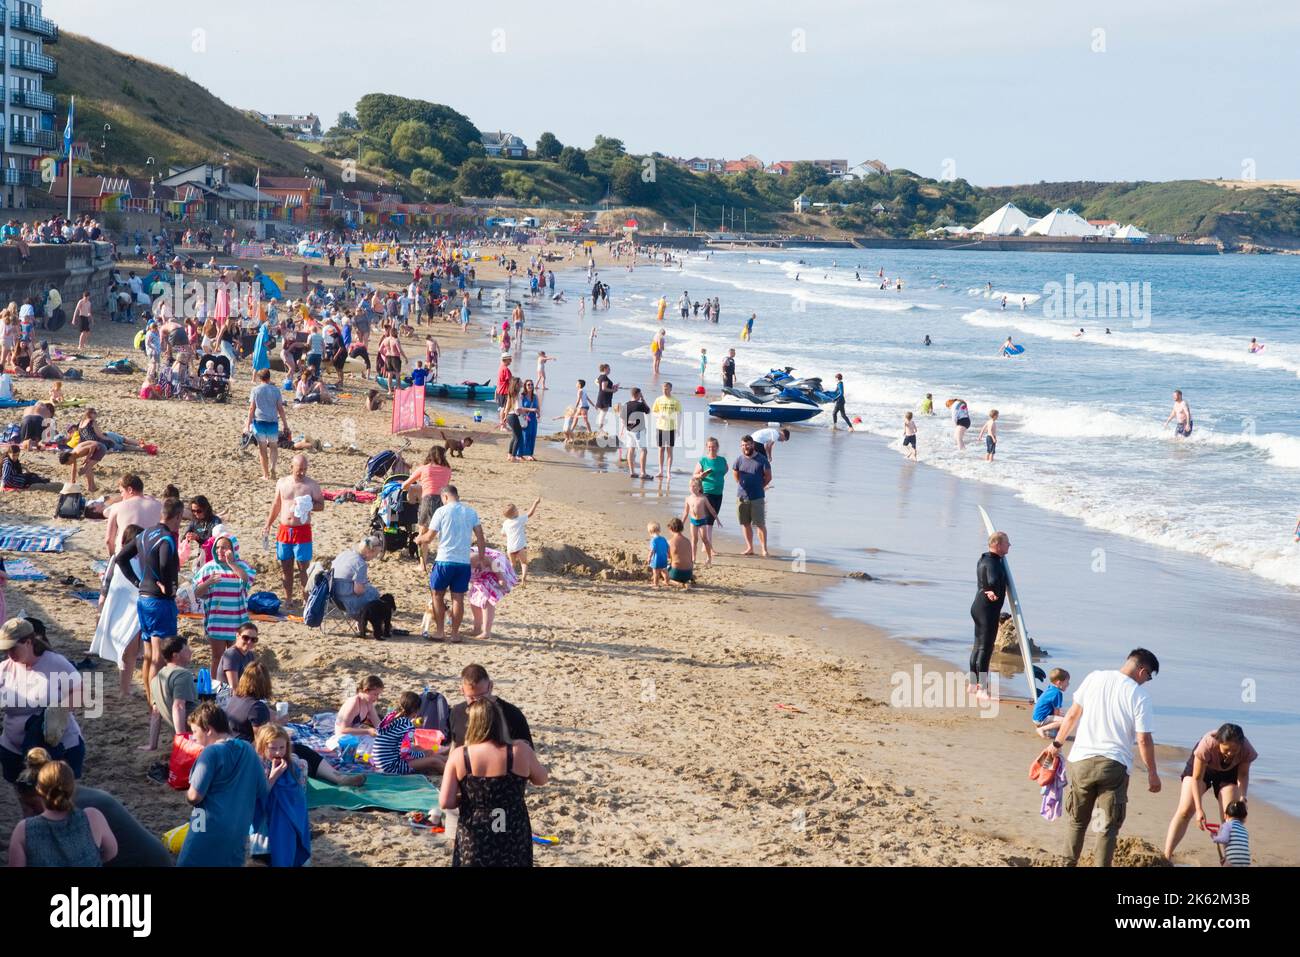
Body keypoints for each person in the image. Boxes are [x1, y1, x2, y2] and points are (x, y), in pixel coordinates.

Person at [1050, 649, 1161, 868]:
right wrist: (1152, 773)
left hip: (1081, 761)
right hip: (1112, 766)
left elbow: (1072, 715)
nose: (1146, 682)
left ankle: (1067, 864)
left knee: (1077, 822)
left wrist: (1056, 744)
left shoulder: (1094, 677)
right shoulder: (1139, 696)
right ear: (1142, 671)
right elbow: (1144, 739)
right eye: (1148, 677)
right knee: (1105, 828)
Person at [439, 698, 548, 867]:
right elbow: (542, 779)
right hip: (512, 827)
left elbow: (446, 801)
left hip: (475, 830)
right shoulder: (520, 750)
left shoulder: (460, 755)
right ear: (501, 722)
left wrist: (467, 800)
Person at [14, 748, 169, 866]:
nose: (27, 814)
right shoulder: (71, 798)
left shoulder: (80, 811)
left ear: (43, 794)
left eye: (32, 807)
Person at [177, 701, 268, 867]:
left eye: (195, 731)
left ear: (209, 729)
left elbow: (195, 797)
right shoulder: (248, 749)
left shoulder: (210, 753)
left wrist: (187, 794)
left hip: (205, 824)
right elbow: (262, 789)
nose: (194, 737)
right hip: (238, 830)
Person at [113, 498, 184, 707]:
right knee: (159, 657)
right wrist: (168, 585)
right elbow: (164, 561)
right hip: (160, 602)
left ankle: (149, 698)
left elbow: (121, 558)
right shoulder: (167, 538)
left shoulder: (144, 534)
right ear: (178, 517)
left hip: (143, 599)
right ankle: (156, 704)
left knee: (148, 655)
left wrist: (137, 581)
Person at [0, 618, 87, 783]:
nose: (8, 654)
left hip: (57, 750)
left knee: (55, 802)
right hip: (14, 750)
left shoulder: (55, 663)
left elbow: (80, 691)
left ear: (28, 642)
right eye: (5, 650)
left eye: (12, 649)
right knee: (27, 802)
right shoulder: (5, 668)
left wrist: (60, 711)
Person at [1163, 722, 1258, 862]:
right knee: (1185, 810)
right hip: (1202, 771)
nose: (1230, 754)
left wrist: (1243, 796)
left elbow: (1243, 775)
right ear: (1219, 742)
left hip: (1229, 773)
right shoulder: (1207, 744)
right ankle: (1166, 857)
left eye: (1234, 750)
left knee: (1230, 819)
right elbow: (1196, 778)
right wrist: (1199, 809)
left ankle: (1230, 861)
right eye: (1226, 750)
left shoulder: (1246, 749)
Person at [7, 751, 117, 867]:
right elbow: (111, 852)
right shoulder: (93, 816)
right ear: (72, 787)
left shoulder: (23, 830)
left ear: (40, 791)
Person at [416, 485, 487, 643]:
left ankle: (440, 631)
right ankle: (455, 634)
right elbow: (481, 537)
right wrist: (481, 558)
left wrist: (419, 539)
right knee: (458, 598)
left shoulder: (441, 511)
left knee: (437, 595)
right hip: (463, 562)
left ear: (445, 497)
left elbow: (428, 538)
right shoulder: (470, 512)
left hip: (444, 560)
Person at [264, 454, 324, 605]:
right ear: (291, 467)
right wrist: (268, 524)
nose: (302, 473)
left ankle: (306, 600)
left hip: (302, 530)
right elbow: (277, 505)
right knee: (286, 567)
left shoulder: (311, 485)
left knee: (304, 568)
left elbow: (321, 505)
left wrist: (309, 506)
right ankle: (288, 599)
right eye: (299, 469)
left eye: (304, 469)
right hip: (284, 530)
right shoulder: (282, 482)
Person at [251, 724, 311, 867]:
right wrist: (273, 776)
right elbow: (255, 798)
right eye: (272, 748)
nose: (278, 752)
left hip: (287, 821)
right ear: (262, 747)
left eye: (282, 748)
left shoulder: (295, 765)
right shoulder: (256, 765)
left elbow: (298, 798)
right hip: (263, 823)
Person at [193, 535, 251, 667]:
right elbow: (197, 593)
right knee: (217, 658)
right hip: (217, 620)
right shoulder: (209, 568)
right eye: (217, 547)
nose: (220, 550)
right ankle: (216, 686)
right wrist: (208, 582)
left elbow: (246, 580)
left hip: (237, 621)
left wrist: (231, 564)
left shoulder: (241, 566)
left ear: (232, 549)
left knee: (237, 658)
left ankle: (234, 687)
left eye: (224, 547)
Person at [969, 531, 1009, 699]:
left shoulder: (985, 558)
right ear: (998, 545)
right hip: (987, 609)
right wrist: (990, 590)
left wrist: (988, 589)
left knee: (978, 645)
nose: (1009, 546)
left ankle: (973, 684)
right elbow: (991, 579)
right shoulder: (993, 563)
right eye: (1007, 543)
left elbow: (986, 575)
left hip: (978, 607)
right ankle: (982, 689)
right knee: (986, 648)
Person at [401, 445, 453, 573]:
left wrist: (409, 488)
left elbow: (405, 485)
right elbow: (444, 485)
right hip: (443, 501)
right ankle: (444, 563)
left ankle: (422, 565)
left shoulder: (424, 469)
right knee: (442, 533)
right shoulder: (447, 470)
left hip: (428, 500)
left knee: (423, 534)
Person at [331, 536, 394, 640]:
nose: (375, 557)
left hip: (333, 596)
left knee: (370, 590)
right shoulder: (361, 564)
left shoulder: (345, 554)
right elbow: (358, 591)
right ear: (370, 551)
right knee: (375, 596)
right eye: (376, 554)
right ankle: (374, 625)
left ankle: (361, 623)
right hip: (347, 602)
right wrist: (366, 586)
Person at [373, 691, 447, 775]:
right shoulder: (407, 726)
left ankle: (447, 759)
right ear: (416, 711)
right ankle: (454, 773)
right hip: (391, 767)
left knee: (420, 749)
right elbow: (404, 753)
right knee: (433, 761)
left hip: (380, 763)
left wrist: (423, 753)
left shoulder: (391, 717)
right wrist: (422, 755)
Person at [145, 636, 197, 752]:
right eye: (186, 649)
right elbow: (178, 706)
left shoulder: (156, 679)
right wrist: (183, 740)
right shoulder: (182, 674)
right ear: (175, 655)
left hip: (184, 730)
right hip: (196, 731)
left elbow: (155, 714)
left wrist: (152, 744)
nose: (191, 651)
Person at [732, 435, 772, 557]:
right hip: (742, 497)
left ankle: (764, 549)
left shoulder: (762, 460)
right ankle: (750, 548)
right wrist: (742, 486)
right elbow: (736, 475)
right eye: (743, 445)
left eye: (747, 444)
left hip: (757, 497)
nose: (745, 447)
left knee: (760, 524)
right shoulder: (739, 459)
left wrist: (760, 486)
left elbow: (768, 477)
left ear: (753, 445)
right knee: (745, 523)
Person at [247, 368, 289, 480]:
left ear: (259, 378)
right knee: (274, 447)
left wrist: (247, 425)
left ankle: (266, 475)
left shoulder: (255, 390)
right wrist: (285, 424)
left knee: (262, 448)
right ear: (269, 377)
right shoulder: (276, 390)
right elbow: (280, 409)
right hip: (272, 422)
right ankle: (273, 467)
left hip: (259, 421)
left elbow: (252, 408)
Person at [681, 477, 723, 566]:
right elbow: (686, 512)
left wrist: (717, 519)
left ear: (699, 488)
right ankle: (693, 558)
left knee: (705, 540)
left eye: (694, 486)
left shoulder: (703, 498)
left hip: (702, 522)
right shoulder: (688, 498)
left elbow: (711, 509)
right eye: (690, 486)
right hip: (693, 521)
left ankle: (709, 558)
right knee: (694, 540)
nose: (692, 488)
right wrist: (682, 522)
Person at [502, 498, 541, 584]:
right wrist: (535, 503)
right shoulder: (519, 519)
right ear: (514, 513)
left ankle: (509, 577)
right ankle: (524, 578)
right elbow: (530, 514)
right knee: (524, 563)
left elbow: (503, 534)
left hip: (510, 548)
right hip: (519, 547)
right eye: (516, 509)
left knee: (512, 564)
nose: (518, 510)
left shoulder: (505, 523)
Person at [652, 382, 681, 479]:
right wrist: (659, 415)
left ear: (670, 389)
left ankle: (668, 471)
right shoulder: (658, 399)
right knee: (661, 450)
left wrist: (678, 428)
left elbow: (679, 414)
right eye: (663, 388)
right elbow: (653, 412)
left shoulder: (675, 400)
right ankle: (660, 471)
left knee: (669, 451)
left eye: (667, 388)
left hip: (671, 428)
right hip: (660, 427)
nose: (665, 390)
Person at [220, 622, 259, 690]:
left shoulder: (250, 655)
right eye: (246, 638)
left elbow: (252, 682)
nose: (249, 642)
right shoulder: (231, 654)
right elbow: (234, 687)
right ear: (237, 635)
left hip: (241, 693)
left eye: (253, 639)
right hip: (227, 695)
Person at [1032, 667, 1070, 739]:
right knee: (1066, 720)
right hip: (1041, 719)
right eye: (1067, 682)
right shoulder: (1057, 693)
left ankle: (1045, 728)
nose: (1068, 684)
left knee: (1063, 716)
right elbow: (1056, 711)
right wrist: (1058, 726)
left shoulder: (1050, 688)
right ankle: (1042, 729)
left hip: (1036, 717)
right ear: (1059, 683)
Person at [622, 386, 650, 478]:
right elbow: (648, 410)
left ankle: (632, 472)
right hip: (638, 431)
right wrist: (643, 399)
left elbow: (623, 419)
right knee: (643, 450)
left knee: (631, 450)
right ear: (638, 394)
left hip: (629, 430)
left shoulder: (626, 404)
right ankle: (643, 473)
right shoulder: (640, 404)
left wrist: (627, 428)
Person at [1211, 801, 1251, 866]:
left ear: (1226, 815)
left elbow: (1224, 839)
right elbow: (1238, 846)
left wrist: (1214, 837)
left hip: (1233, 860)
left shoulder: (1227, 825)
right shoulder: (1245, 830)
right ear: (1244, 818)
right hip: (1246, 861)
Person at [666, 517, 695, 588]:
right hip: (688, 573)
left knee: (662, 572)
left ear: (670, 528)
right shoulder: (688, 541)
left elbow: (668, 557)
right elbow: (690, 557)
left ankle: (676, 583)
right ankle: (687, 580)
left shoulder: (670, 542)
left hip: (676, 573)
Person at [647, 521, 669, 588]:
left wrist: (649, 557)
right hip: (664, 558)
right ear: (659, 530)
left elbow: (652, 550)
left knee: (656, 572)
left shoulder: (653, 540)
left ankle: (655, 584)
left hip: (656, 559)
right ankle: (666, 581)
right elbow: (667, 547)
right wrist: (668, 555)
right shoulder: (663, 539)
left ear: (650, 532)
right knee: (664, 570)